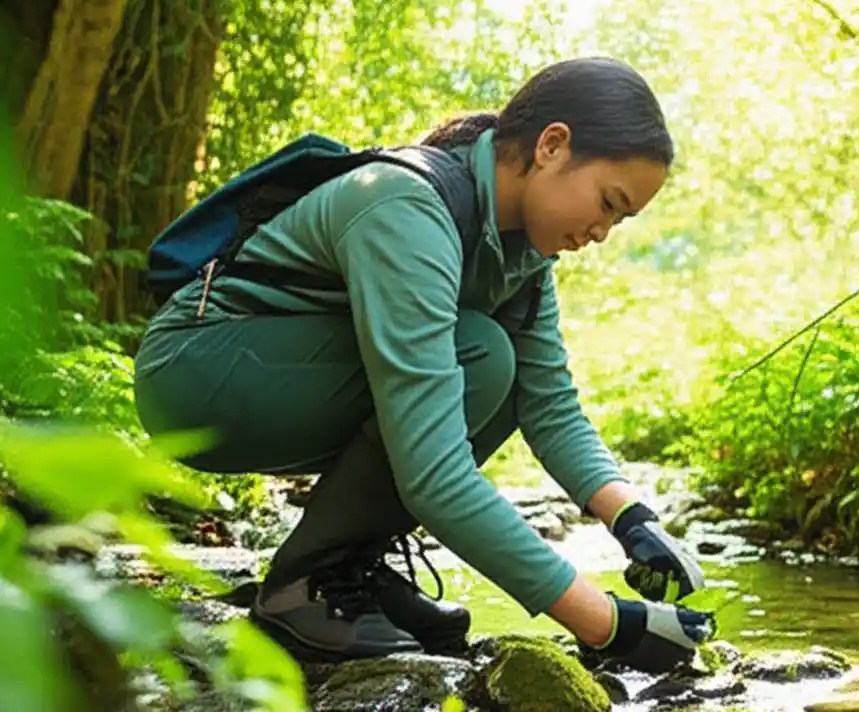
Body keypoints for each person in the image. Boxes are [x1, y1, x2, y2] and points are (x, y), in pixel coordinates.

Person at [132, 57, 712, 671]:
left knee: (492, 359)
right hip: (195, 373)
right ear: (552, 145)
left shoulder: (523, 258)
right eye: (608, 202)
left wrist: (635, 522)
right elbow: (432, 472)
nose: (603, 232)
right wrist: (606, 623)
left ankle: (346, 567)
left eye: (620, 219)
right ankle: (303, 588)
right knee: (482, 356)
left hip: (269, 379)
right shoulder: (406, 207)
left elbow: (550, 406)